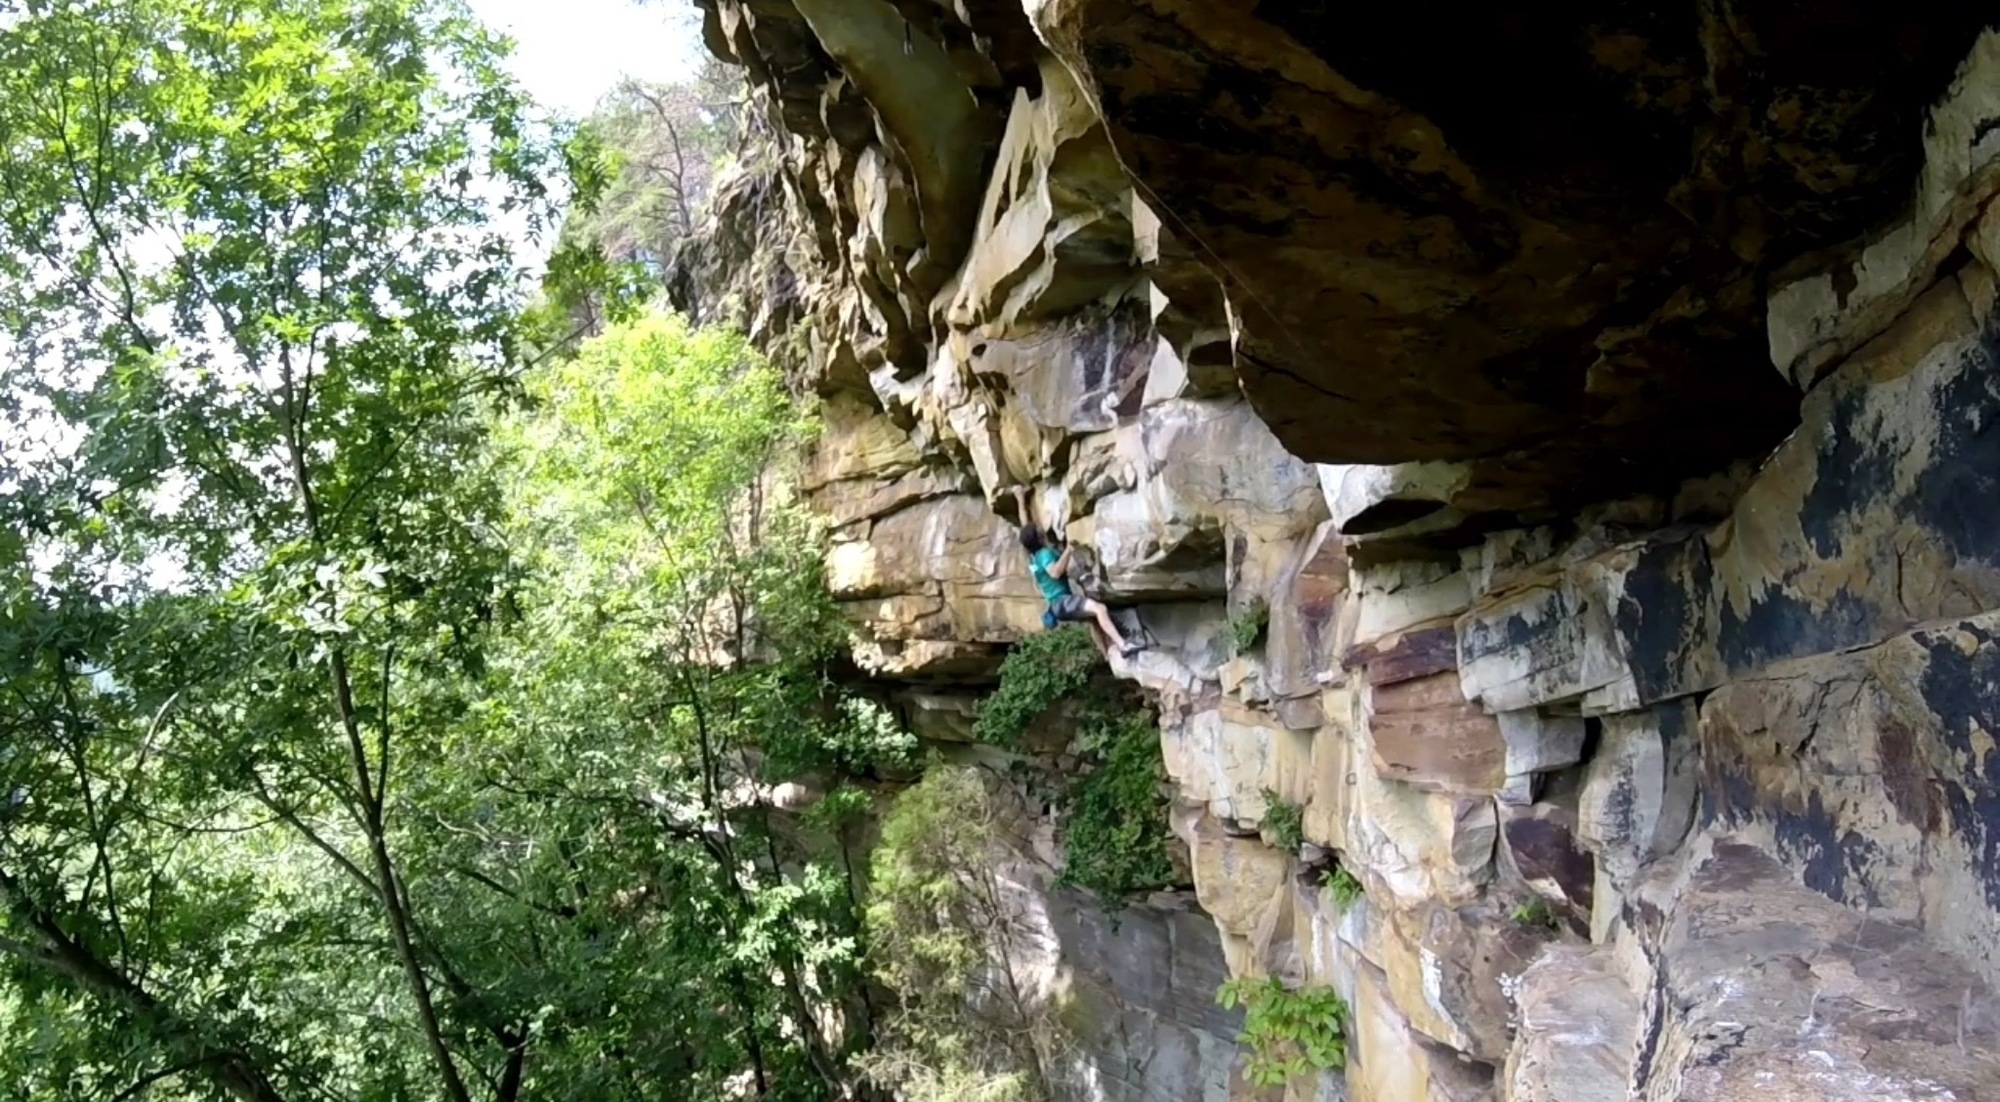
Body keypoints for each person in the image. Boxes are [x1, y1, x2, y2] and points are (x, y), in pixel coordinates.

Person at [1010, 485, 1141, 657]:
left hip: (1056, 607)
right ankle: (1123, 645)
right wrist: (1069, 550)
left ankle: (1107, 652)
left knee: (1093, 618)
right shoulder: (1044, 554)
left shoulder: (1032, 556)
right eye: (1038, 529)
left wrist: (1020, 498)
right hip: (1063, 601)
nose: (1040, 527)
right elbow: (1055, 573)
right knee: (1100, 609)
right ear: (1038, 536)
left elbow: (1025, 528)